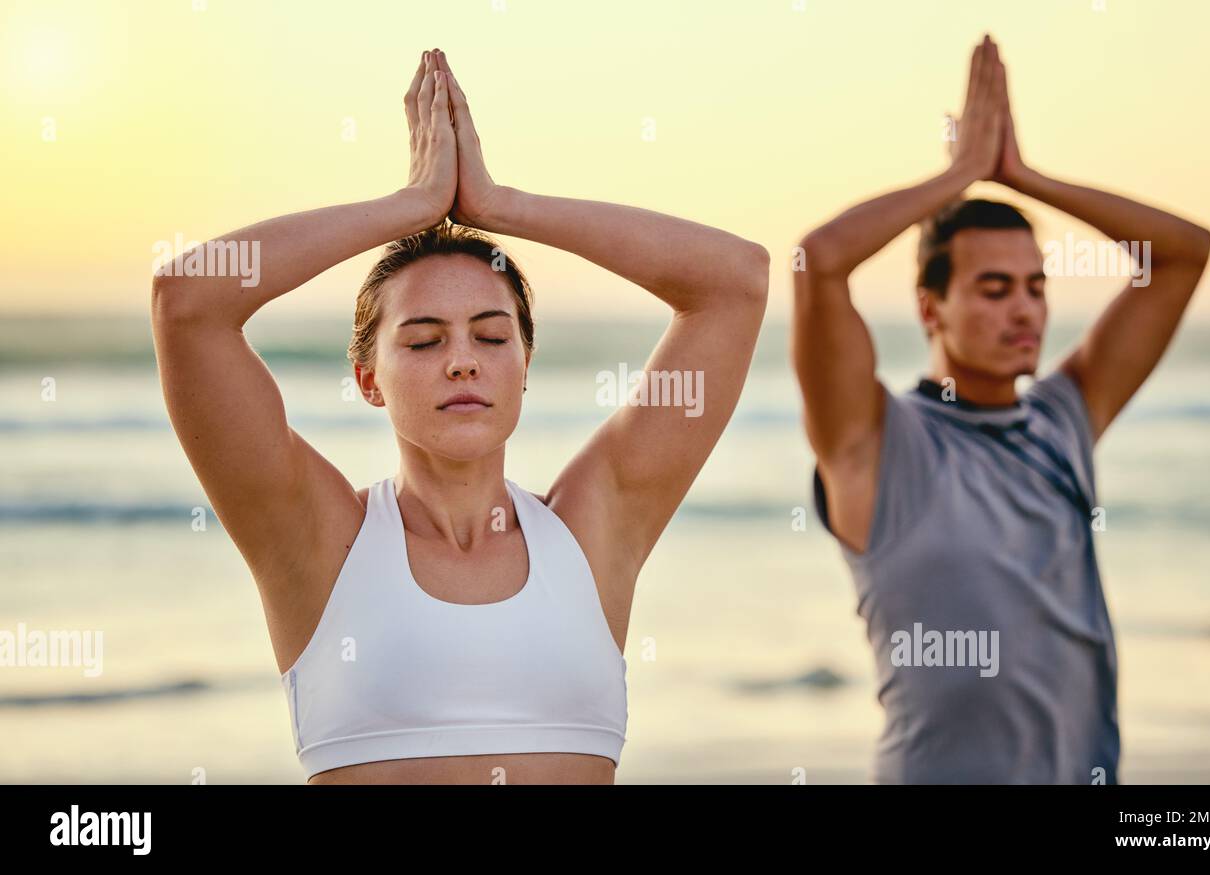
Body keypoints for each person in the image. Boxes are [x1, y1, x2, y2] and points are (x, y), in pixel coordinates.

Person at [150, 48, 769, 784]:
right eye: (422, 339)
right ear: (367, 378)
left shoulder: (595, 531)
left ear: (525, 364)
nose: (463, 360)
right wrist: (410, 205)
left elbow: (737, 282)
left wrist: (502, 206)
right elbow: (188, 302)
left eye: (491, 334)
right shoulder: (320, 544)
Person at [791, 35, 1210, 783]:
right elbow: (819, 260)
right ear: (931, 305)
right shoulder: (877, 442)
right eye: (994, 289)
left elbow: (1183, 253)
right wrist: (957, 177)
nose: (1024, 310)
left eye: (1036, 286)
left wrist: (1025, 177)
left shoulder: (1063, 420)